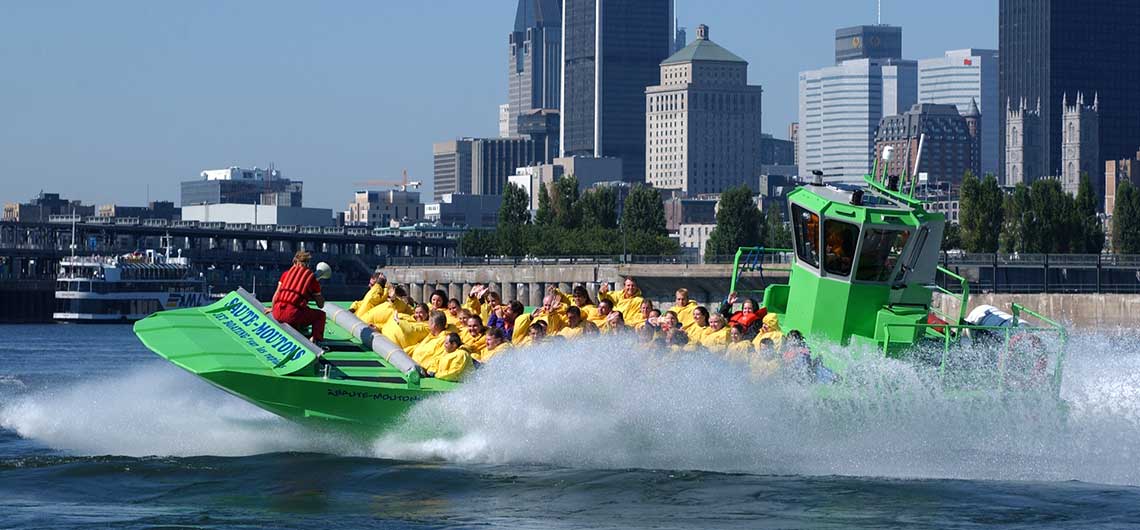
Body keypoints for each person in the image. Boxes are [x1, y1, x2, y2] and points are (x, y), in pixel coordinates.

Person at [271, 250, 326, 343]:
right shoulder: (311, 278)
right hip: (292, 315)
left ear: (294, 262)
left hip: (277, 312)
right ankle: (315, 340)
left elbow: (276, 295)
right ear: (308, 264)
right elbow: (320, 305)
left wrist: (273, 309)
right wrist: (317, 291)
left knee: (302, 310)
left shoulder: (285, 274)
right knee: (320, 315)